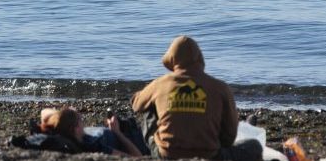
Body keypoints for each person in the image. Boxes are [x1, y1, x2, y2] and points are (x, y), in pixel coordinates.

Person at [131, 35, 262, 161]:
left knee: (146, 106)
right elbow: (229, 136)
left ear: (172, 59)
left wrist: (154, 96)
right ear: (199, 59)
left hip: (166, 156)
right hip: (211, 156)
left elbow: (136, 104)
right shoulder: (220, 88)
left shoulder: (160, 84)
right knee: (254, 146)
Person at [38, 106, 143, 156]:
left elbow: (44, 112)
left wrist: (66, 113)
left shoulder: (57, 132)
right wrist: (118, 133)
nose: (82, 121)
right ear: (75, 128)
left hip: (104, 131)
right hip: (125, 138)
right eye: (80, 120)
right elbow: (136, 157)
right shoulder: (91, 145)